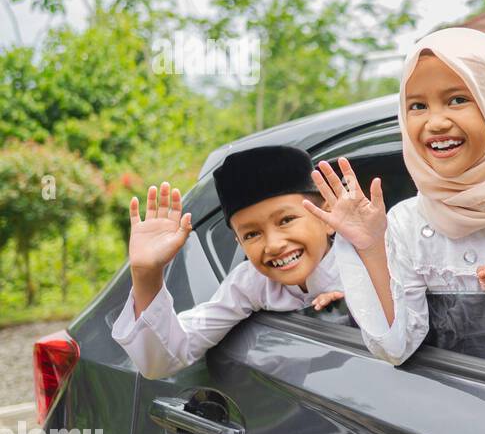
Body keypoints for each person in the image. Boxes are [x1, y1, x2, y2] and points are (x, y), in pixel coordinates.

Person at [314, 27, 485, 366]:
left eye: (457, 99)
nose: (435, 122)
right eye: (418, 105)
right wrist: (371, 246)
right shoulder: (404, 223)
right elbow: (397, 347)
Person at [112, 145, 345, 380]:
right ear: (239, 243)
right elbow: (164, 360)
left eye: (286, 220)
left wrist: (355, 301)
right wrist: (146, 273)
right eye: (252, 234)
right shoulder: (252, 282)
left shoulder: (365, 262)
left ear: (327, 217)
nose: (273, 245)